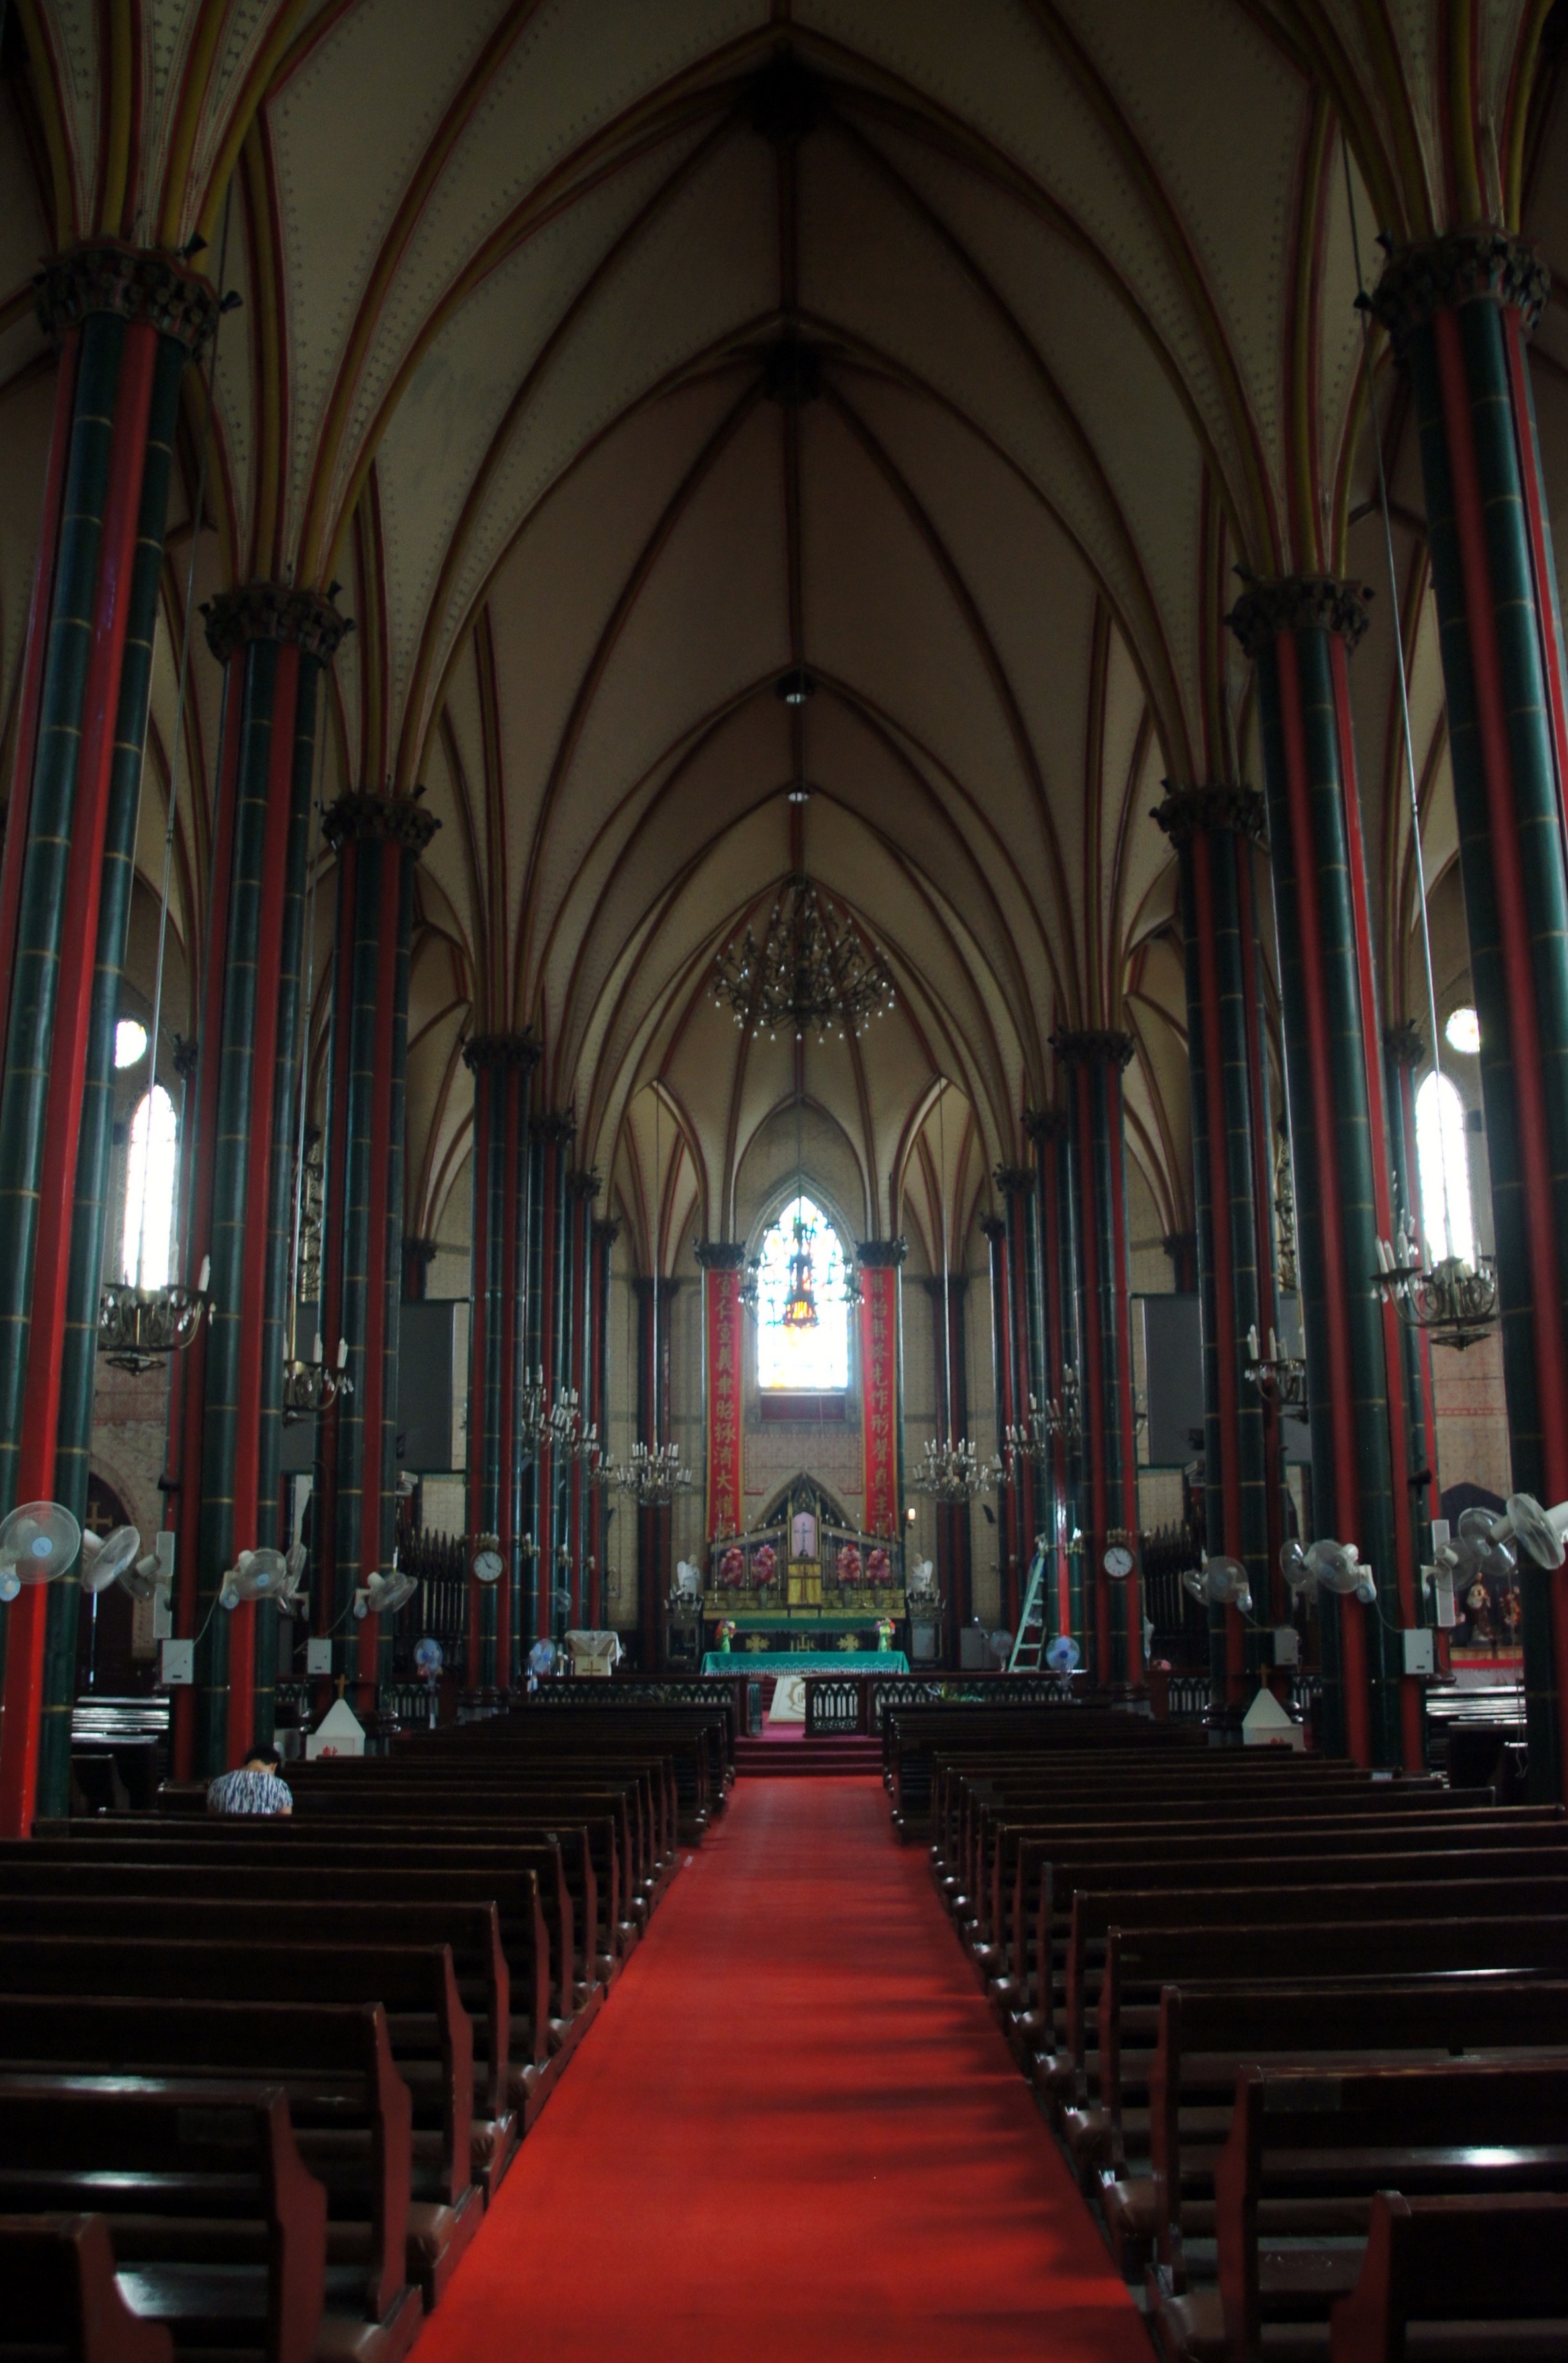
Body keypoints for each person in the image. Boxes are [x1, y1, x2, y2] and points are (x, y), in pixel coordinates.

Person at [206, 1740, 293, 1817]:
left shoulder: (217, 1784)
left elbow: (213, 1817)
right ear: (274, 1766)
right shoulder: (280, 1787)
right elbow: (283, 1822)